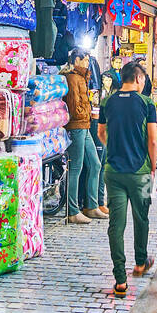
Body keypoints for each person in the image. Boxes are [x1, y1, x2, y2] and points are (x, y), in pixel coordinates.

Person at [98, 60, 157, 298]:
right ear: (137, 79)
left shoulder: (107, 102)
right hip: (140, 173)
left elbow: (101, 132)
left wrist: (113, 147)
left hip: (113, 171)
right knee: (141, 218)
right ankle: (140, 262)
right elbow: (153, 140)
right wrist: (153, 166)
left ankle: (120, 280)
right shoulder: (146, 103)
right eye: (143, 79)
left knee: (116, 224)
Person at [61, 51, 106, 224]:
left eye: (88, 60)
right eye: (84, 60)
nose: (87, 63)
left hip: (85, 125)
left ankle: (92, 206)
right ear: (76, 60)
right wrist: (83, 114)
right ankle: (72, 211)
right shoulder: (73, 78)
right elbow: (73, 105)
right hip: (77, 126)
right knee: (76, 167)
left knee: (95, 164)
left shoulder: (83, 77)